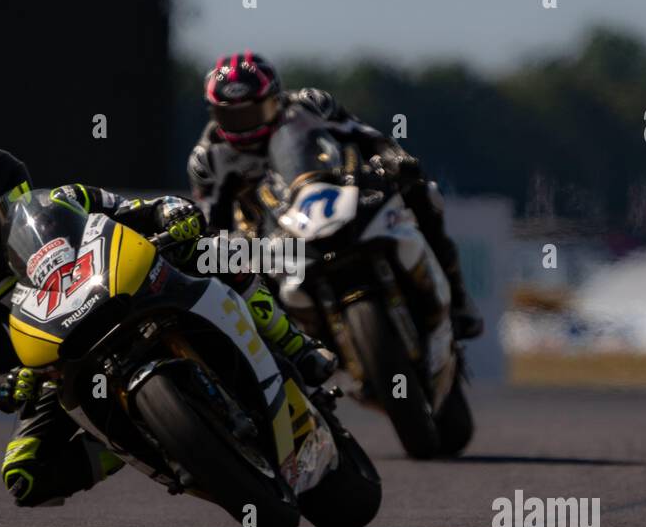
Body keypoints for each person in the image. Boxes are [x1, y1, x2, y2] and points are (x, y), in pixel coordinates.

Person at [0, 146, 334, 507]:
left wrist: (171, 213)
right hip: (63, 358)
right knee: (24, 476)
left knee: (216, 251)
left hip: (129, 287)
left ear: (17, 198)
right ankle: (151, 441)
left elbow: (136, 210)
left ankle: (295, 343)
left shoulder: (67, 200)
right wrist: (12, 383)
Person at [187, 51, 483, 340]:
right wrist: (231, 248)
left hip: (337, 198)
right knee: (232, 281)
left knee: (424, 192)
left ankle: (458, 298)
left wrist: (396, 158)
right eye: (231, 116)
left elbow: (368, 137)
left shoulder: (311, 106)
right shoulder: (206, 158)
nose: (245, 125)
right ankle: (290, 363)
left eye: (253, 112)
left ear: (274, 99)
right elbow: (212, 225)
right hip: (272, 242)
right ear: (214, 112)